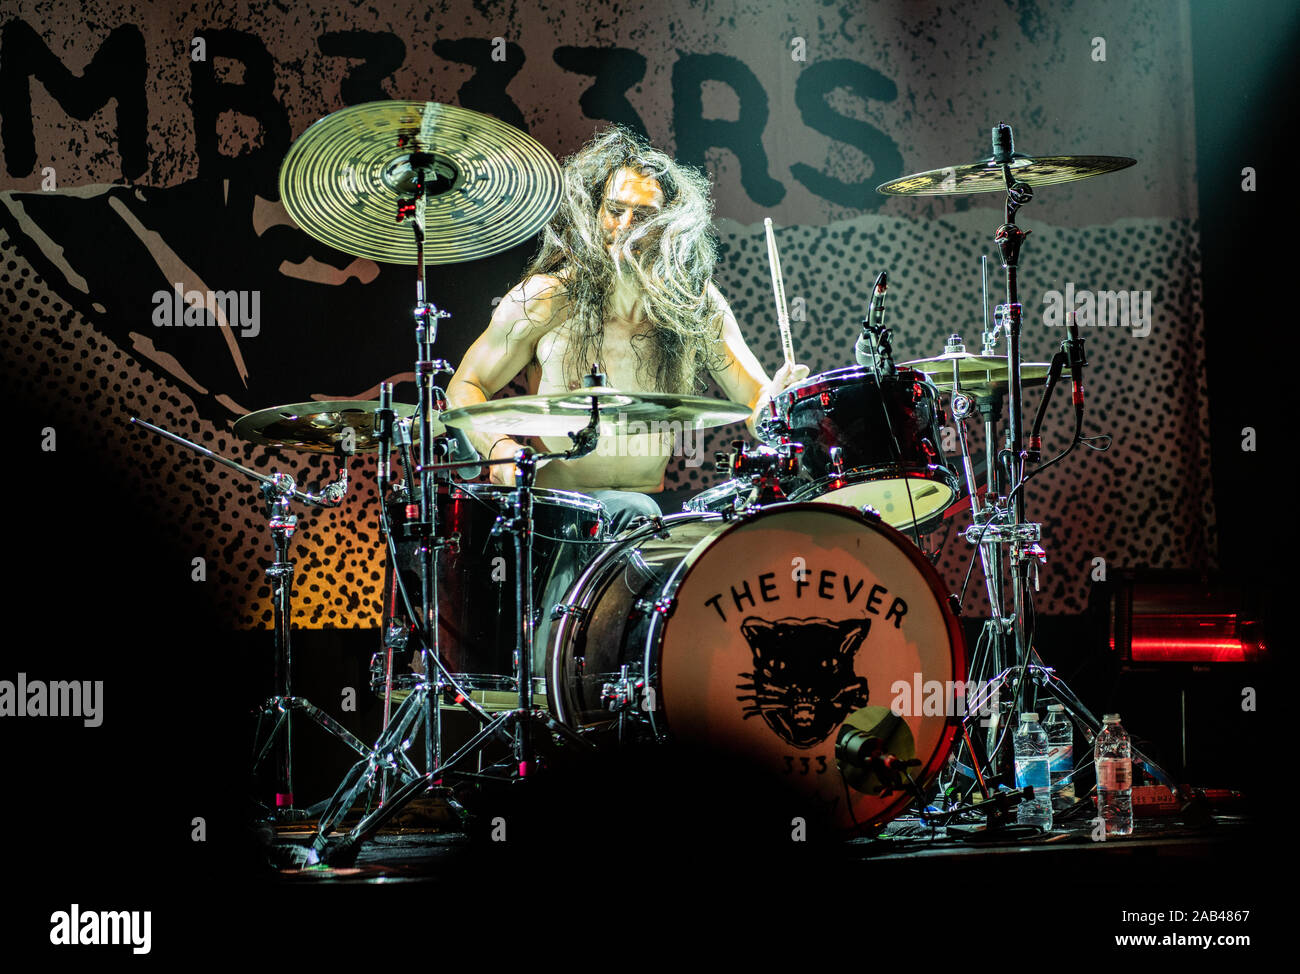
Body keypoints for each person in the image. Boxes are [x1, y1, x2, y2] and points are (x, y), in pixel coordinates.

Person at [446, 126, 808, 532]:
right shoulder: (546, 298)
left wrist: (776, 407)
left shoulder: (694, 305)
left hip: (645, 513)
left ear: (671, 221)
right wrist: (500, 452)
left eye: (645, 215)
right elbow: (465, 386)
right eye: (615, 209)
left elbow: (756, 398)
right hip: (557, 517)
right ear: (596, 211)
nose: (626, 226)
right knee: (634, 513)